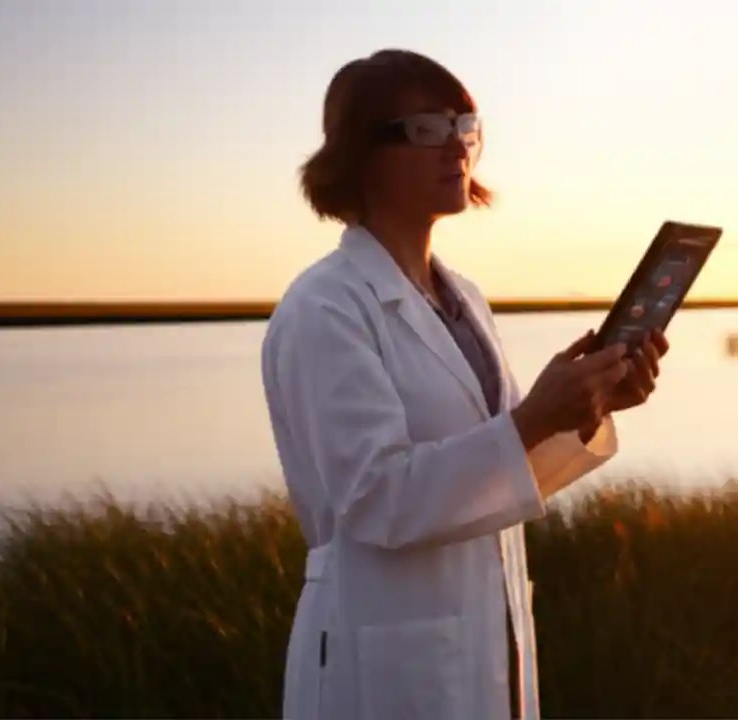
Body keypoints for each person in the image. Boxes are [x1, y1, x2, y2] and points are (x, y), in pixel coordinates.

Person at [260, 49, 668, 720]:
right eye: (425, 128)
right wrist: (534, 417)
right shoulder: (324, 307)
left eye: (464, 124)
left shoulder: (465, 300)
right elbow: (378, 497)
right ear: (361, 153)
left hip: (485, 646)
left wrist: (586, 407)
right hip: (380, 664)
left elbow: (501, 472)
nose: (456, 144)